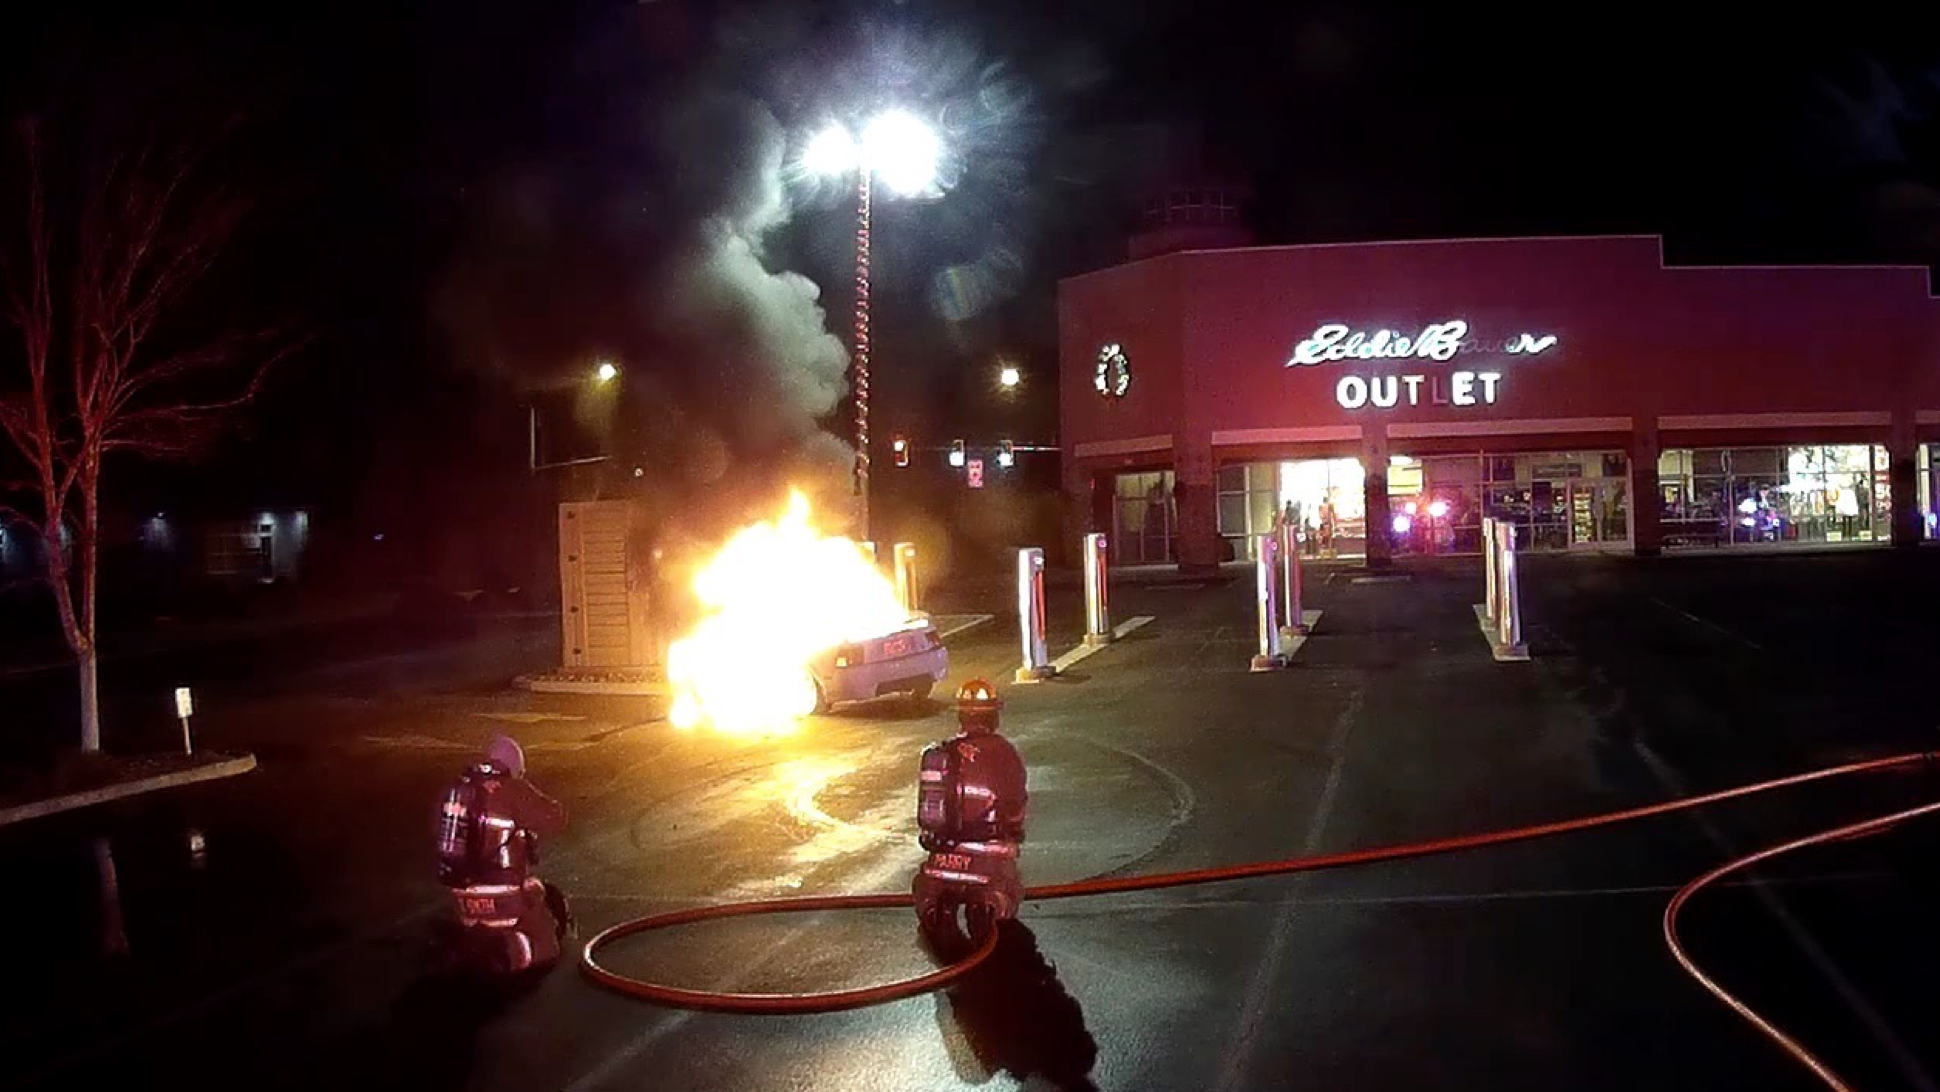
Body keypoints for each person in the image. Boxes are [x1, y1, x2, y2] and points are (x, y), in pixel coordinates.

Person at [435, 734, 571, 974]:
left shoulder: (461, 790)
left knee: (481, 930)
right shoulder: (512, 789)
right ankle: (506, 951)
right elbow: (555, 817)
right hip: (502, 898)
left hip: (462, 898)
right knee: (546, 942)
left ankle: (468, 943)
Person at [914, 680, 1029, 948]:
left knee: (926, 888)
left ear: (962, 716)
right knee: (1006, 889)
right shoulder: (1004, 753)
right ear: (993, 716)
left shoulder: (943, 753)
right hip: (989, 857)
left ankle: (934, 909)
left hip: (942, 857)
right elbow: (1016, 806)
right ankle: (988, 910)